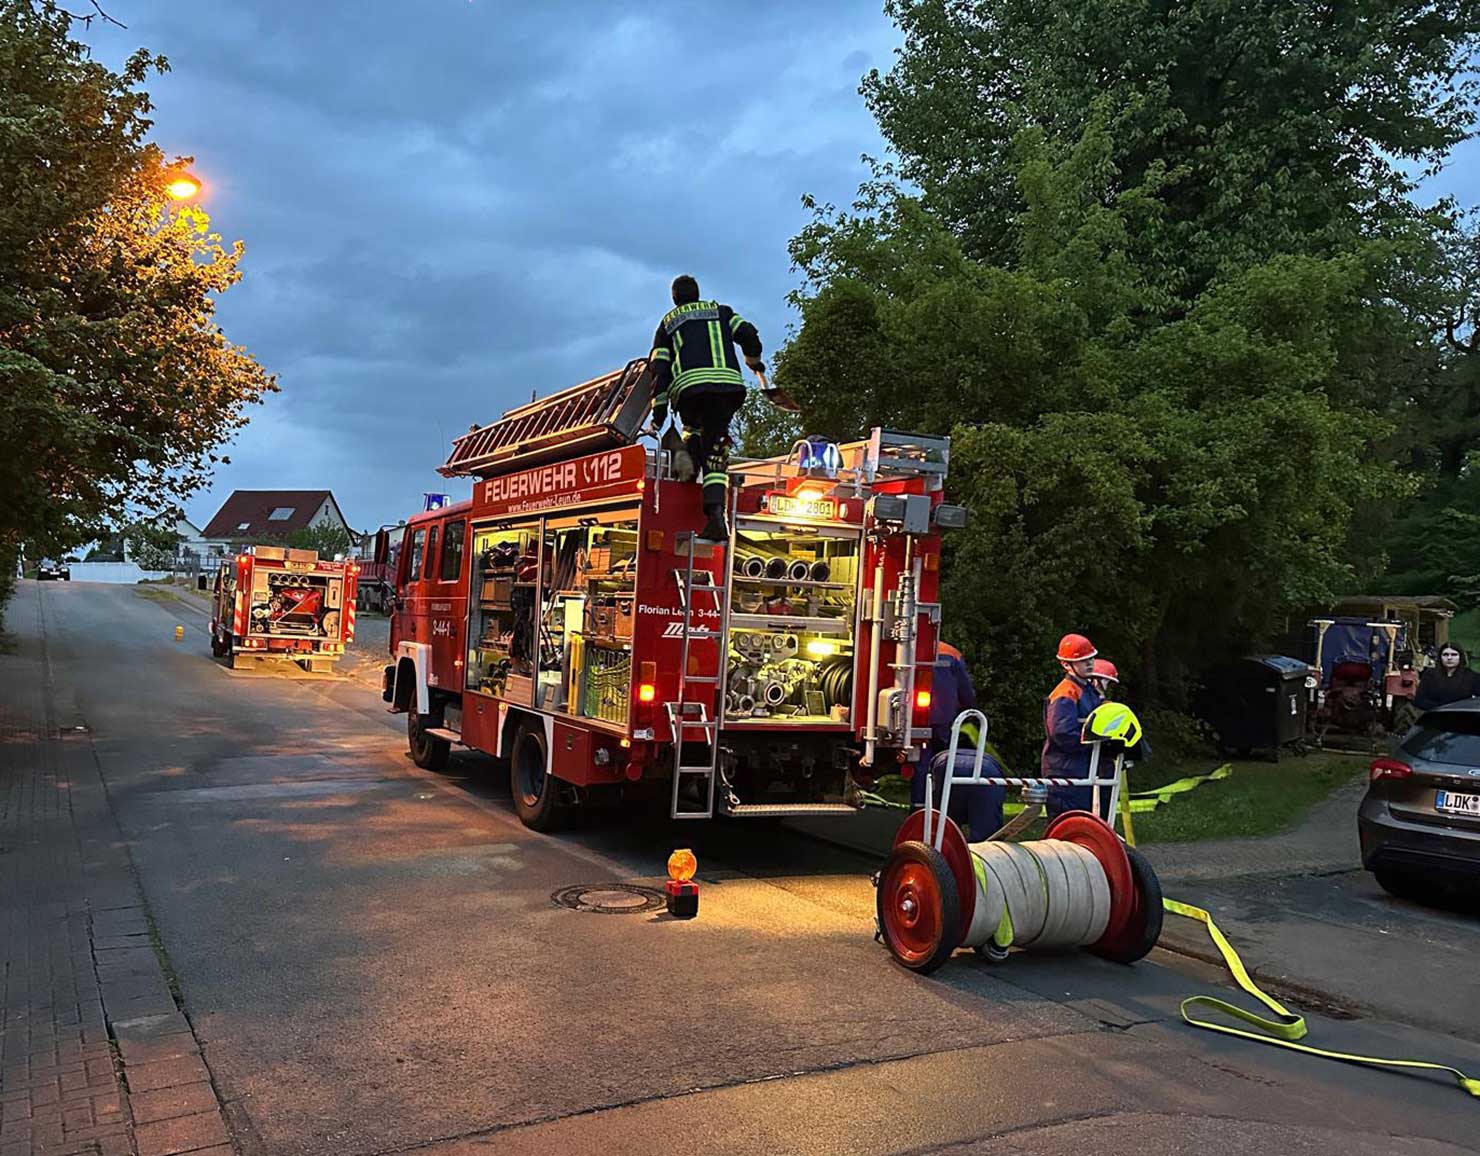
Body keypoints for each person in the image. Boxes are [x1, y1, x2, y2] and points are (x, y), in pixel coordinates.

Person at [648, 275, 765, 545]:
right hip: (727, 390)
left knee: (698, 434)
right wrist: (753, 359)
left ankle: (690, 470)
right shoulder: (721, 312)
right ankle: (709, 501)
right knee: (716, 450)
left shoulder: (668, 323)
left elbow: (660, 372)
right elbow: (748, 334)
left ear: (674, 298)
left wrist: (659, 415)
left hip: (690, 393)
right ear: (698, 294)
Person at [911, 641, 1005, 839]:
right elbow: (966, 692)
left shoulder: (904, 646)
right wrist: (969, 708)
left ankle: (921, 816)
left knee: (922, 768)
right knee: (940, 768)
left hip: (909, 721)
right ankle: (940, 816)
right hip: (941, 720)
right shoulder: (951, 653)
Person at [1042, 633, 1106, 820]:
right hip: (1065, 771)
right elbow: (1062, 734)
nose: (1089, 663)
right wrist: (1096, 741)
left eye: (1091, 658)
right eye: (1083, 660)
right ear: (1066, 665)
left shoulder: (1089, 689)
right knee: (1068, 827)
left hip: (1081, 768)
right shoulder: (1065, 693)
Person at [1415, 644, 1477, 711]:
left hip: (1462, 715)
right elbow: (1420, 700)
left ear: (1460, 657)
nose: (1449, 658)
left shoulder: (1471, 676)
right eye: (1445, 655)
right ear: (1440, 657)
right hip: (1435, 715)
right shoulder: (1430, 675)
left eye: (1454, 655)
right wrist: (1442, 708)